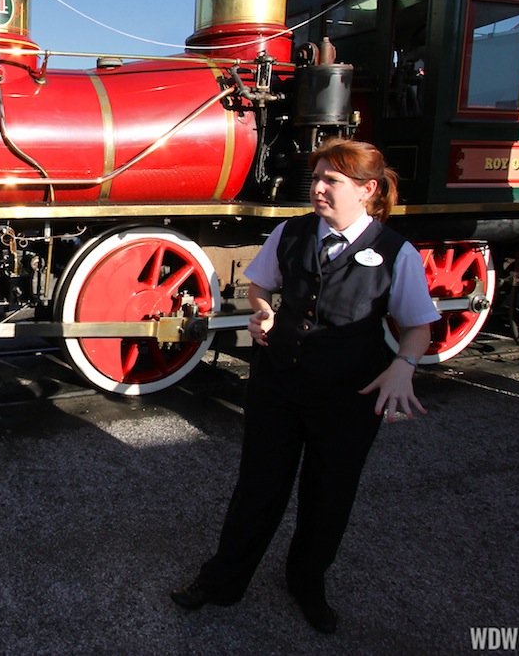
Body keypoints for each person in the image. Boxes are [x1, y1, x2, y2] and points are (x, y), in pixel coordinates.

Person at [170, 138, 439, 634]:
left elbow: (418, 324)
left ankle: (307, 584)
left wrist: (405, 364)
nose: (317, 188)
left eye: (331, 180)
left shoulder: (396, 252)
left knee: (328, 496)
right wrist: (263, 312)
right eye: (316, 178)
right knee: (257, 487)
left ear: (367, 190)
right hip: (279, 384)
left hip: (349, 398)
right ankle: (223, 582)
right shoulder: (290, 233)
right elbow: (258, 286)